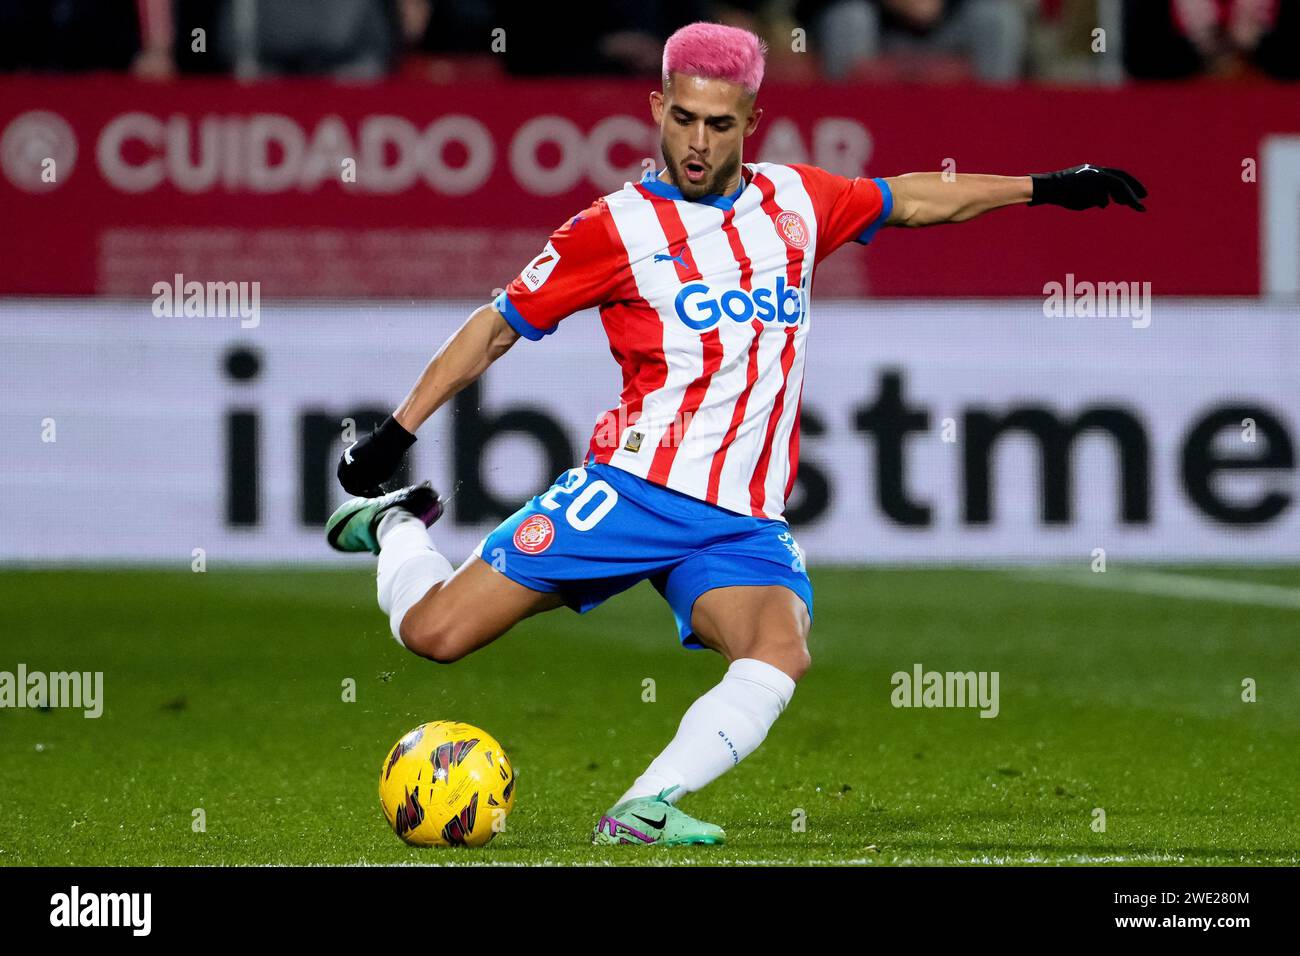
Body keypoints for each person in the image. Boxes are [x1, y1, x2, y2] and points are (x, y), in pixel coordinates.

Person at [327, 21, 1146, 847]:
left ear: (752, 120)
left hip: (741, 520)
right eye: (683, 117)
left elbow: (915, 199)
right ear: (657, 106)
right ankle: (395, 525)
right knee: (434, 635)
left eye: (720, 124)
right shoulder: (613, 229)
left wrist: (1045, 186)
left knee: (778, 649)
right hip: (631, 493)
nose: (697, 140)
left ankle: (641, 807)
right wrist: (398, 431)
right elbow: (495, 327)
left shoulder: (796, 202)